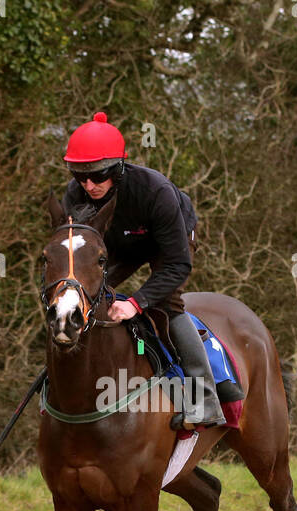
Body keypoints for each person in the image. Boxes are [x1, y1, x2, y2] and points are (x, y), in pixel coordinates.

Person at [61, 111, 226, 431]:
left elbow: (179, 264)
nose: (89, 185)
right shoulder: (76, 193)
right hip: (122, 242)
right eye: (81, 177)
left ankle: (205, 399)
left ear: (118, 169)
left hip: (170, 240)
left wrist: (136, 302)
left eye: (98, 175)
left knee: (167, 302)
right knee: (86, 292)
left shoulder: (155, 190)